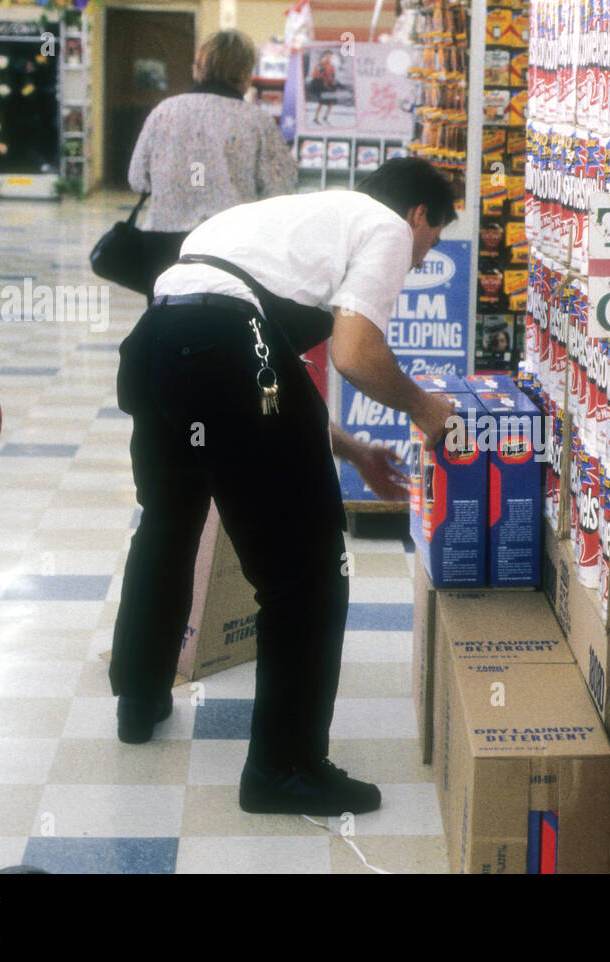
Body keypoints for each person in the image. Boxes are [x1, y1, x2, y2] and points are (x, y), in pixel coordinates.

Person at [110, 157, 458, 817]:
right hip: (222, 349)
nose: (418, 261)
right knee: (307, 570)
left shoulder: (288, 222)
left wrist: (351, 449)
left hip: (157, 342)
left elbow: (261, 377)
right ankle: (285, 766)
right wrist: (424, 408)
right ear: (418, 216)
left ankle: (140, 694)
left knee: (169, 518)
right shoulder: (384, 228)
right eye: (431, 242)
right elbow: (352, 354)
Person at [127, 30, 296, 297]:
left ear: (199, 67)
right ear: (245, 72)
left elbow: (137, 179)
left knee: (165, 323)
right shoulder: (256, 121)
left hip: (163, 246)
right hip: (230, 247)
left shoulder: (164, 111)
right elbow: (281, 189)